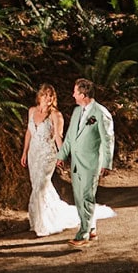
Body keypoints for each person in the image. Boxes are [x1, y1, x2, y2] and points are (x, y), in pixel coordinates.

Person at [23, 82, 114, 238]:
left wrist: (62, 155)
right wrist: (24, 152)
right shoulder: (32, 111)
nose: (49, 98)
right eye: (46, 95)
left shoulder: (55, 115)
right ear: (40, 96)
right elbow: (28, 133)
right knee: (37, 185)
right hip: (34, 154)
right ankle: (41, 217)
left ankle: (44, 224)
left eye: (51, 95)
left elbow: (60, 137)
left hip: (47, 155)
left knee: (40, 186)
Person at [55, 77, 116, 245]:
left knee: (86, 196)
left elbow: (107, 139)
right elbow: (69, 137)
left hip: (92, 162)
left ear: (83, 94)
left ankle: (83, 235)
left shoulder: (100, 113)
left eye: (75, 92)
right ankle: (92, 228)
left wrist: (106, 163)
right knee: (79, 197)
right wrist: (61, 155)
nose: (73, 95)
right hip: (76, 162)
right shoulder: (76, 112)